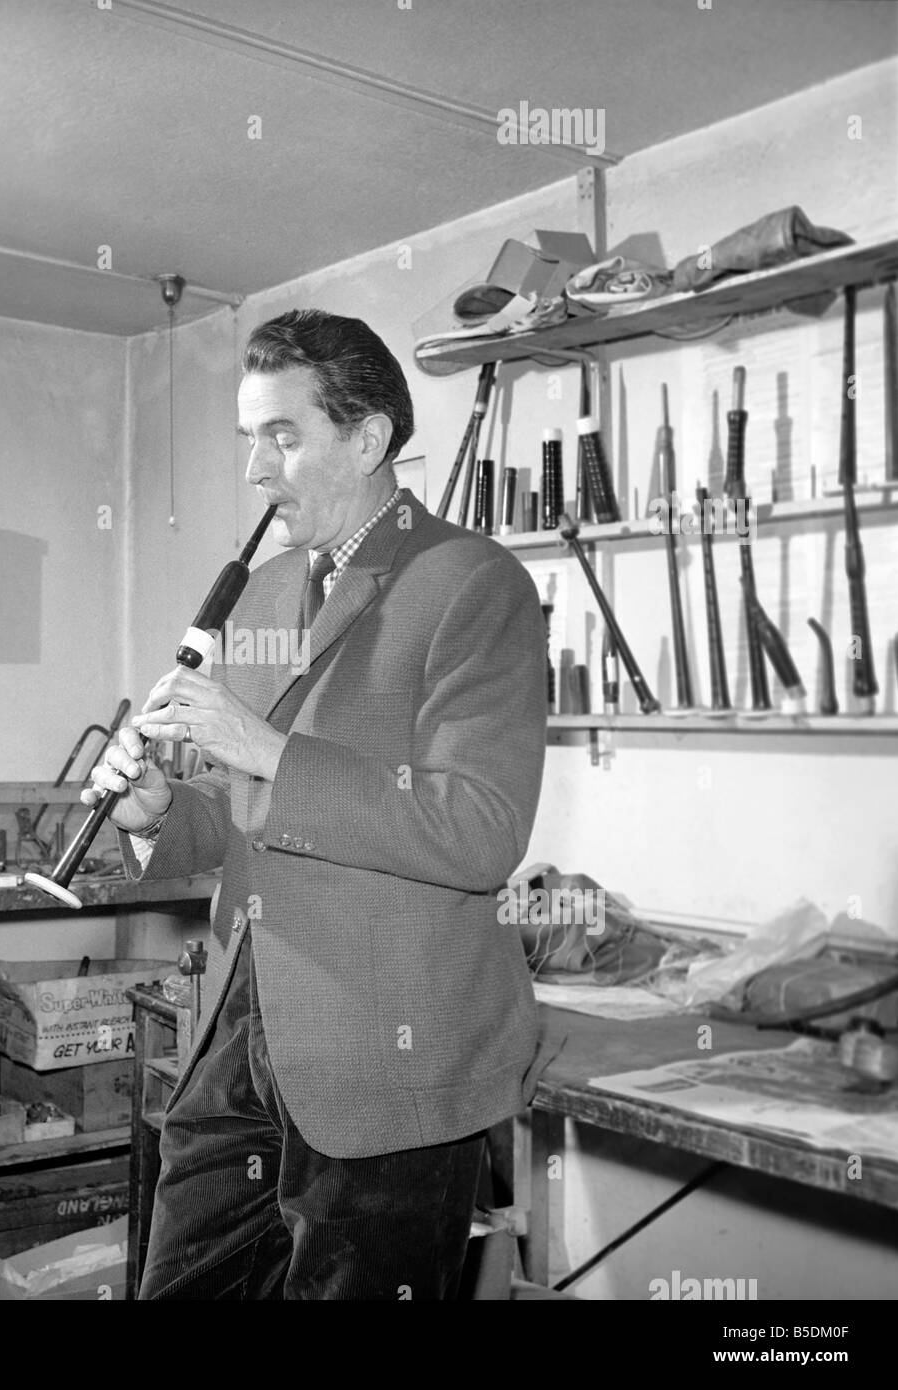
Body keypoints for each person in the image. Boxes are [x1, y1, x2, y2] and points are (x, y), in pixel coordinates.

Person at [81, 308, 548, 1299]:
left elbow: (476, 828)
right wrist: (160, 810)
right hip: (245, 1026)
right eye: (248, 438)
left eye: (281, 437)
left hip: (390, 1058)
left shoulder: (472, 583)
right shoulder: (261, 592)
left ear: (368, 437)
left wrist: (260, 744)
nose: (254, 469)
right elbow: (248, 812)